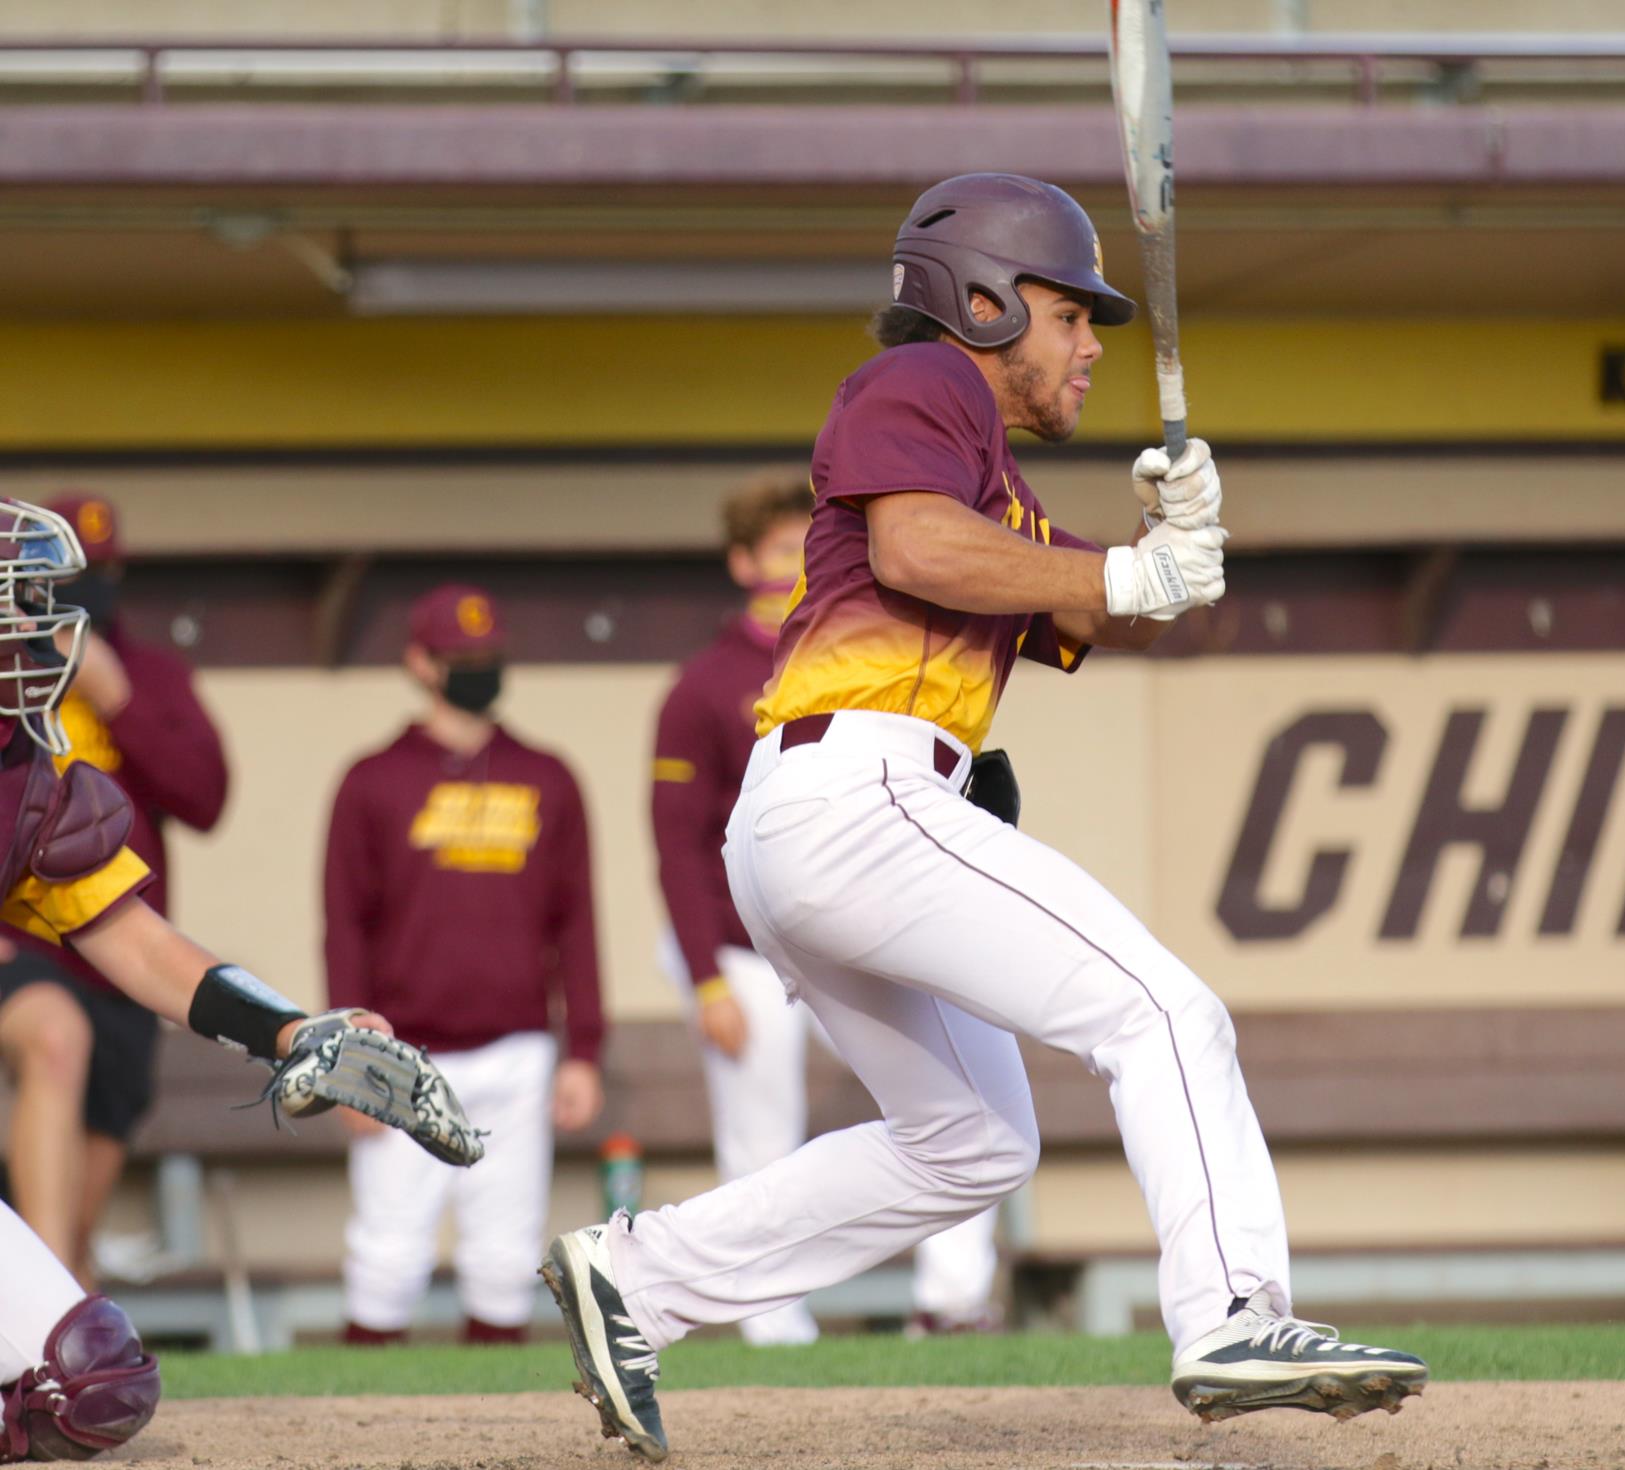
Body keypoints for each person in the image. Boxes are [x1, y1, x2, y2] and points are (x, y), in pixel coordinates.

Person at [539, 173, 1428, 1462]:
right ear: (987, 300)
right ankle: (1235, 1311)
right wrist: (1122, 569)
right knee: (1165, 1012)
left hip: (815, 820)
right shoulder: (926, 386)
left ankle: (644, 1276)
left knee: (970, 1142)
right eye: (1072, 317)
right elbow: (913, 551)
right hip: (860, 793)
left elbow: (1090, 612)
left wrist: (1172, 544)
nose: (1088, 350)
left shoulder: (984, 474)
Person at [0, 496, 458, 1462]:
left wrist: (299, 1034)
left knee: (92, 1382)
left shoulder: (19, 778)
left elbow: (137, 943)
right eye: (17, 603)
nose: (37, 628)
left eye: (33, 601)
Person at [651, 473, 1000, 1346]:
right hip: (742, 946)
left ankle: (953, 1304)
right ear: (741, 564)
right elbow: (676, 849)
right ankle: (772, 1323)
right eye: (772, 550)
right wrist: (703, 981)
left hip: (859, 928)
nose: (788, 565)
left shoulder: (859, 648)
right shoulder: (700, 685)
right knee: (759, 1128)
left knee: (962, 1100)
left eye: (798, 546)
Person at [325, 584, 606, 1345]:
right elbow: (344, 927)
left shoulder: (550, 777)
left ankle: (494, 1445)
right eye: (460, 659)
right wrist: (347, 1059)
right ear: (420, 663)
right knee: (385, 1258)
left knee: (504, 1260)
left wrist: (583, 1049)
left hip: (517, 1051)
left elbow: (576, 921)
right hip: (399, 1057)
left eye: (488, 656)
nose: (477, 670)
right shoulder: (370, 781)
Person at [0, 491, 228, 1280]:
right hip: (24, 944)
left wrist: (120, 697)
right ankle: (53, 1323)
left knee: (75, 1219)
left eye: (100, 574)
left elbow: (206, 797)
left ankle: (50, 1323)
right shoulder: (7, 668)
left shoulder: (151, 672)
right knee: (55, 1036)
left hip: (118, 947)